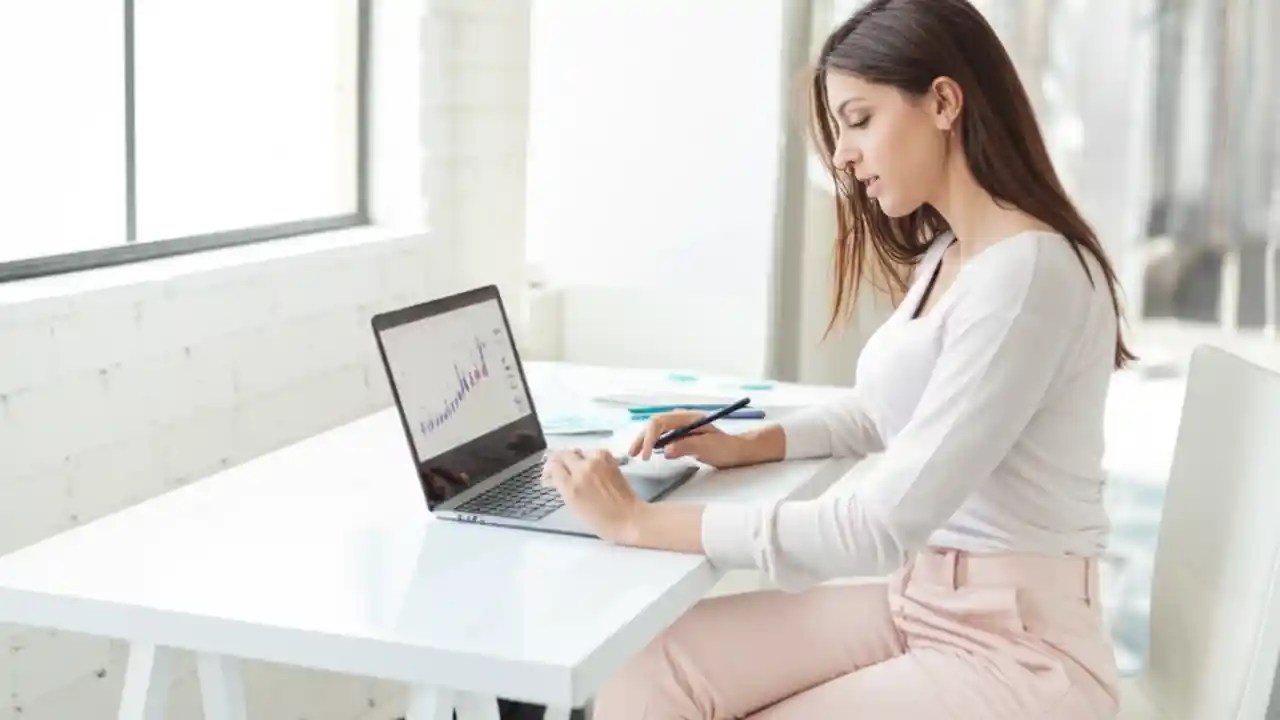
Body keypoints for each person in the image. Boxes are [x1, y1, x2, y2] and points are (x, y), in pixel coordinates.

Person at [539, 0, 1132, 717]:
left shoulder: (1028, 275)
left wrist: (640, 524)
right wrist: (746, 443)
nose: (844, 154)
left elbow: (878, 524)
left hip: (1020, 650)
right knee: (648, 667)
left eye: (859, 120)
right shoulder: (954, 253)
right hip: (924, 602)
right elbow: (888, 411)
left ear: (943, 101)